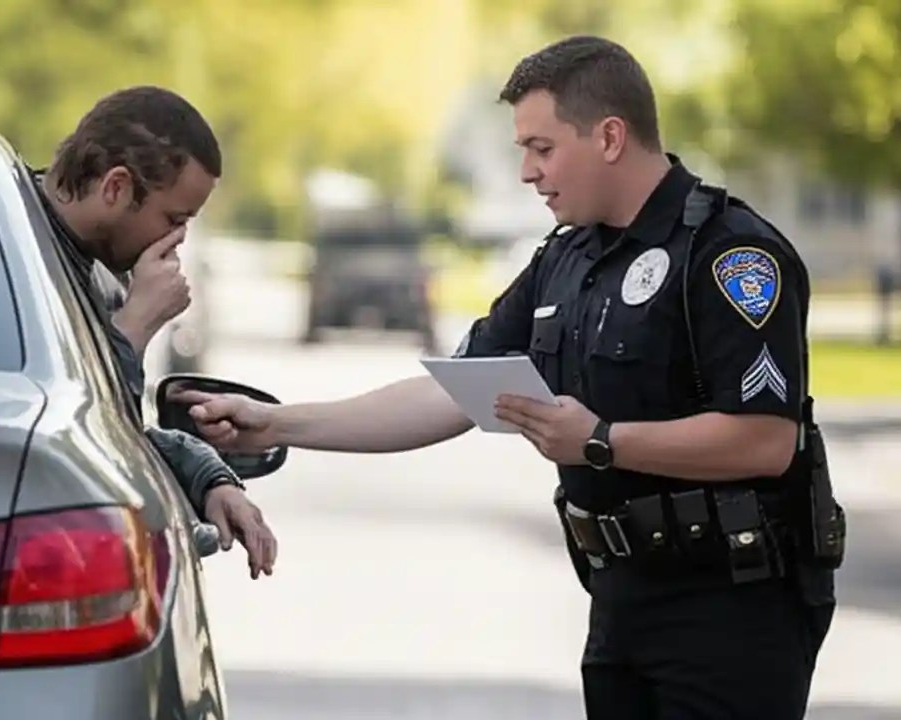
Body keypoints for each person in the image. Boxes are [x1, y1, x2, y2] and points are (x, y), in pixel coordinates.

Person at [177, 36, 843, 718]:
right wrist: (277, 422)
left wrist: (601, 440)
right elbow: (450, 393)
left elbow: (764, 440)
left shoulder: (728, 254)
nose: (527, 171)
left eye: (542, 147)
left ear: (610, 136)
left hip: (733, 606)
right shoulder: (567, 258)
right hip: (621, 598)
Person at [31, 85, 277, 580]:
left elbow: (126, 433)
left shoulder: (94, 272)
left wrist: (210, 481)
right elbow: (68, 442)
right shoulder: (12, 267)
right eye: (174, 219)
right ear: (116, 188)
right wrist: (135, 326)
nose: (177, 242)